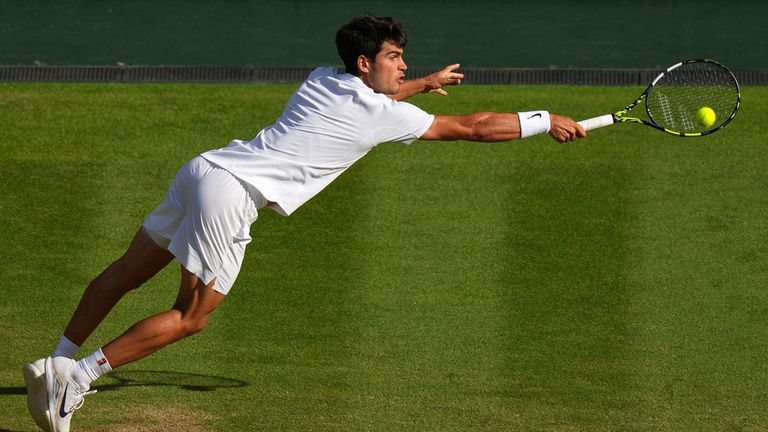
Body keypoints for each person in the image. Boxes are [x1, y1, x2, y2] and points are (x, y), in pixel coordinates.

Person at [23, 14, 586, 432]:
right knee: (191, 316)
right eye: (396, 57)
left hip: (202, 169)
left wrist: (419, 83)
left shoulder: (323, 78)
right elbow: (472, 127)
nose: (404, 66)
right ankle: (78, 377)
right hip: (235, 194)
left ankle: (58, 357)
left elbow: (377, 97)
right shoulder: (380, 113)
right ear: (366, 63)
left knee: (126, 272)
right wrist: (546, 119)